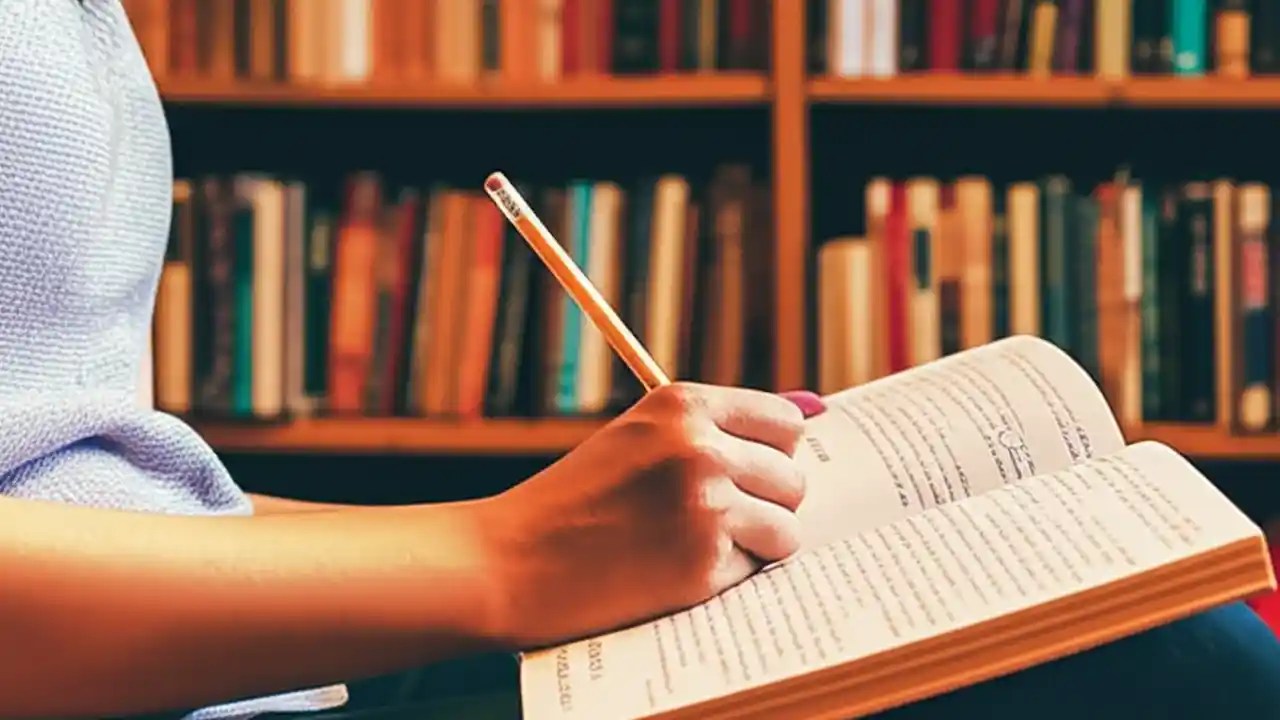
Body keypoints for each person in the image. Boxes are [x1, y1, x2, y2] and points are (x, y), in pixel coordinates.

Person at [2, 2, 1280, 719]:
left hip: (240, 678)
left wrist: (552, 529)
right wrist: (510, 558)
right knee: (1172, 675)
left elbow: (90, 474)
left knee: (1167, 637)